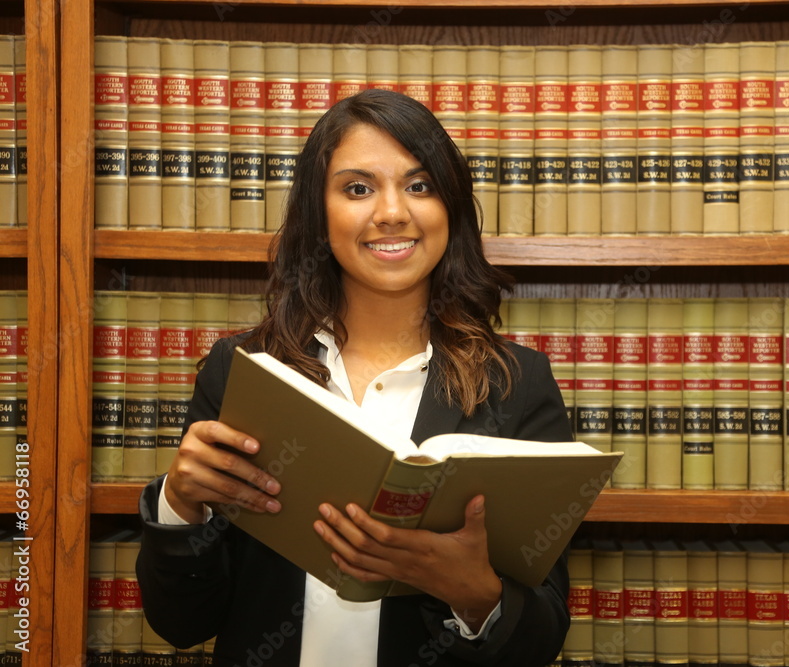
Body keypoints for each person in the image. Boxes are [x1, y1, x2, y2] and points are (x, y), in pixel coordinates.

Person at [135, 88, 573, 666]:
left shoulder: (518, 384)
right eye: (358, 188)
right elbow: (181, 624)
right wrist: (180, 504)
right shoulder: (243, 372)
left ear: (451, 209)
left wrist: (473, 593)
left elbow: (539, 642)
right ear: (319, 215)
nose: (392, 212)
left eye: (419, 186)